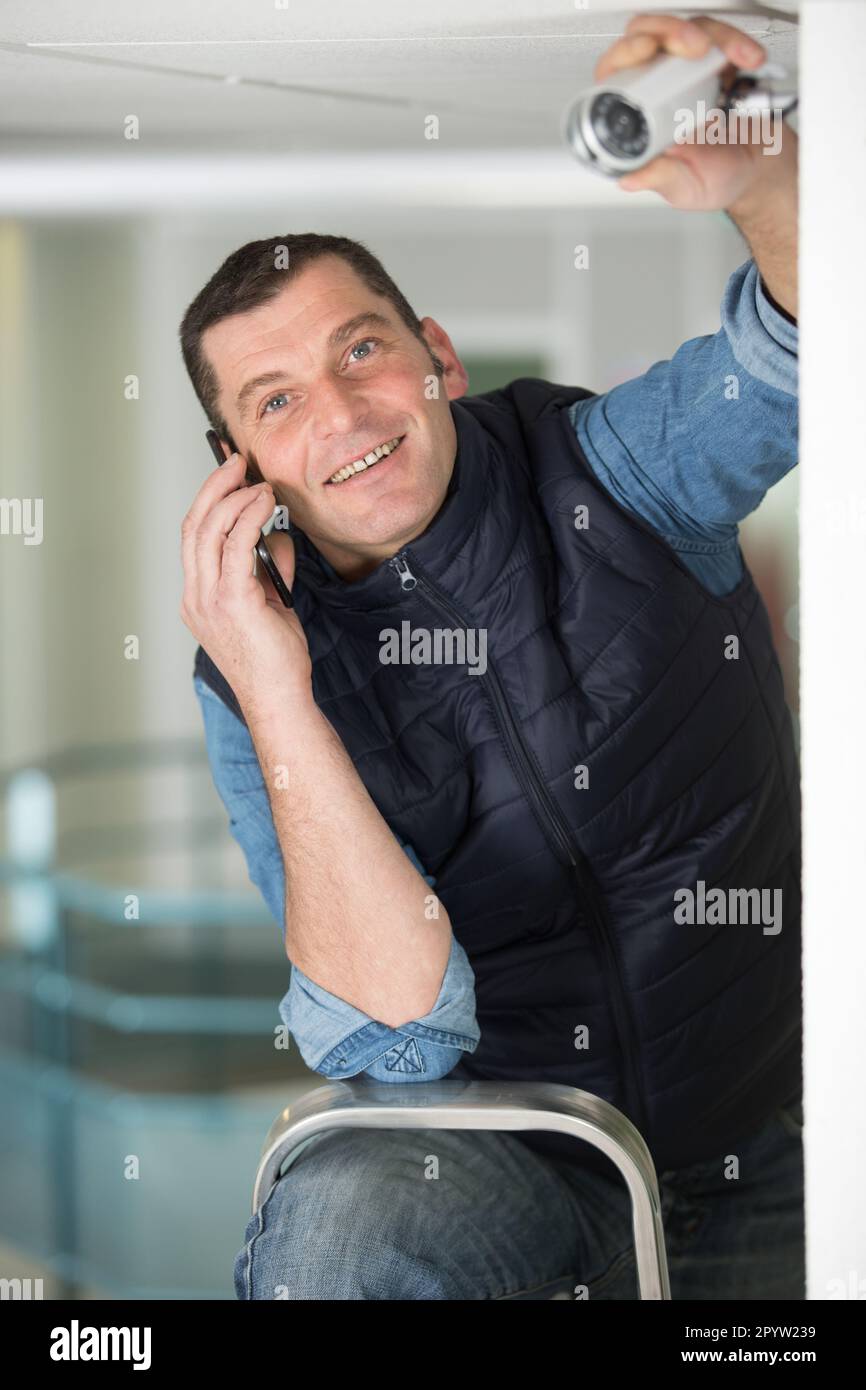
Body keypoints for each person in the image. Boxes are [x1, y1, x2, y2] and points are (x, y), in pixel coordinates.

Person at [179, 12, 803, 1300]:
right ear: (240, 470)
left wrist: (772, 183)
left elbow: (796, 357)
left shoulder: (618, 473)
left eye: (362, 348)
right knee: (342, 1223)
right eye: (276, 400)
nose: (342, 413)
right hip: (513, 1164)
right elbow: (396, 1045)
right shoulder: (252, 676)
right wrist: (280, 685)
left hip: (774, 1131)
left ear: (436, 360)